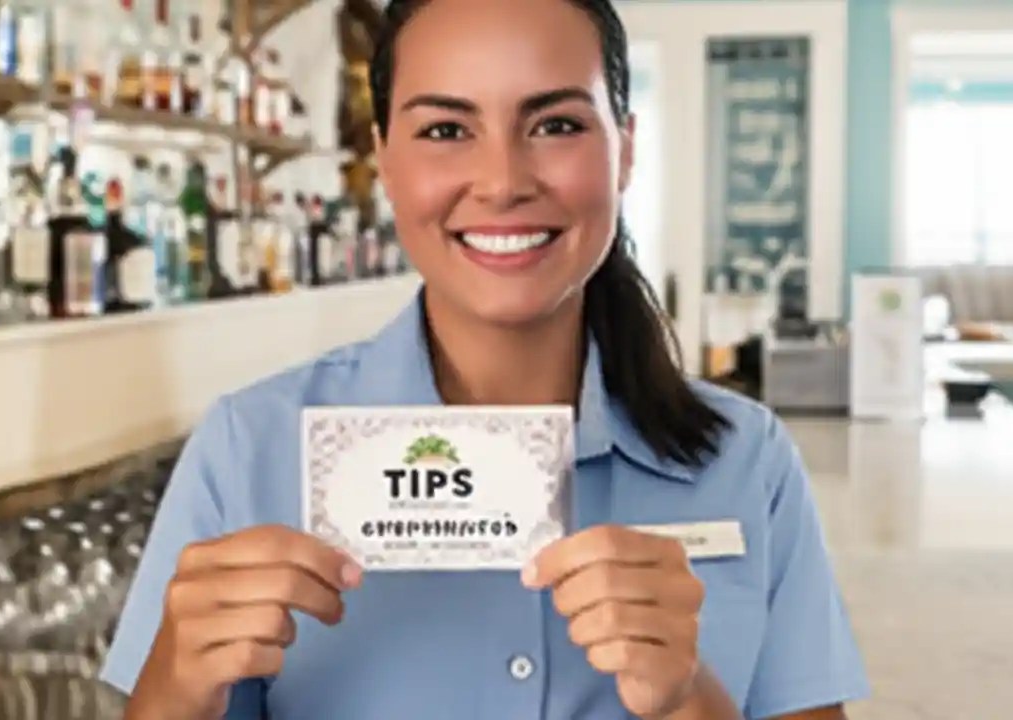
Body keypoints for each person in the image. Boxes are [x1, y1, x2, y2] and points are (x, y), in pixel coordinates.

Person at [100, 0, 869, 717]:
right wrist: (177, 680)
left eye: (556, 124)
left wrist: (688, 695)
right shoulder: (248, 450)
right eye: (445, 130)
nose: (503, 183)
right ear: (385, 160)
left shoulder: (747, 460)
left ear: (625, 150)